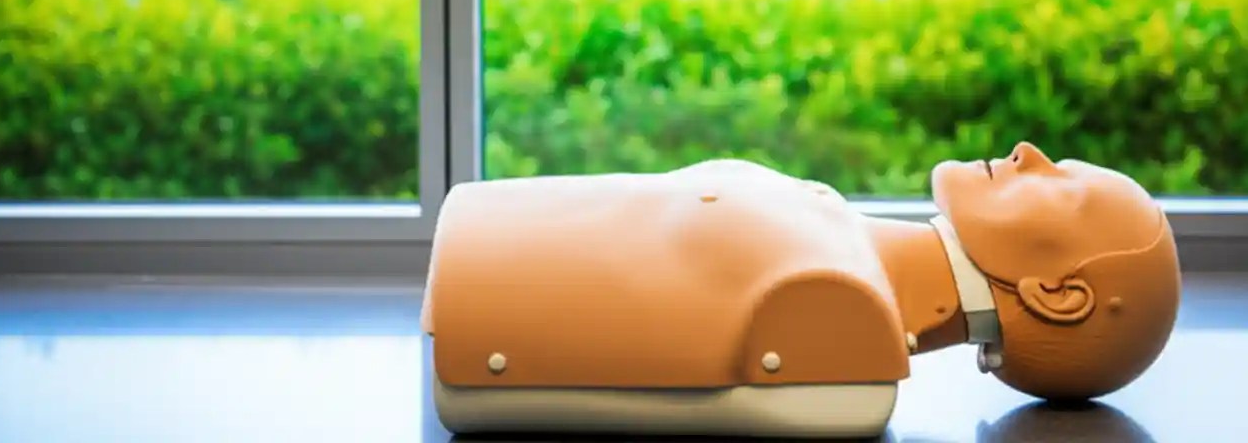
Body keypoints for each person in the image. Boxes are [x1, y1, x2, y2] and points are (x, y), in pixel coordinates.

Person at [421, 142, 1181, 438]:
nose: (1030, 153)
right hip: (474, 262)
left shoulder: (841, 315)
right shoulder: (836, 235)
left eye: (1065, 188)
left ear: (1057, 295)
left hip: (475, 311)